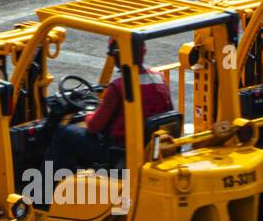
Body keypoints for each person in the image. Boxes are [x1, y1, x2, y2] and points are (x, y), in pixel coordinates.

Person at [46, 39, 173, 175]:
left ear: (119, 55)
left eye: (112, 54)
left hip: (118, 150)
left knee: (62, 133)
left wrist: (89, 113)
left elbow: (94, 126)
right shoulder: (159, 78)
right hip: (149, 146)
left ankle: (43, 188)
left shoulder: (119, 87)